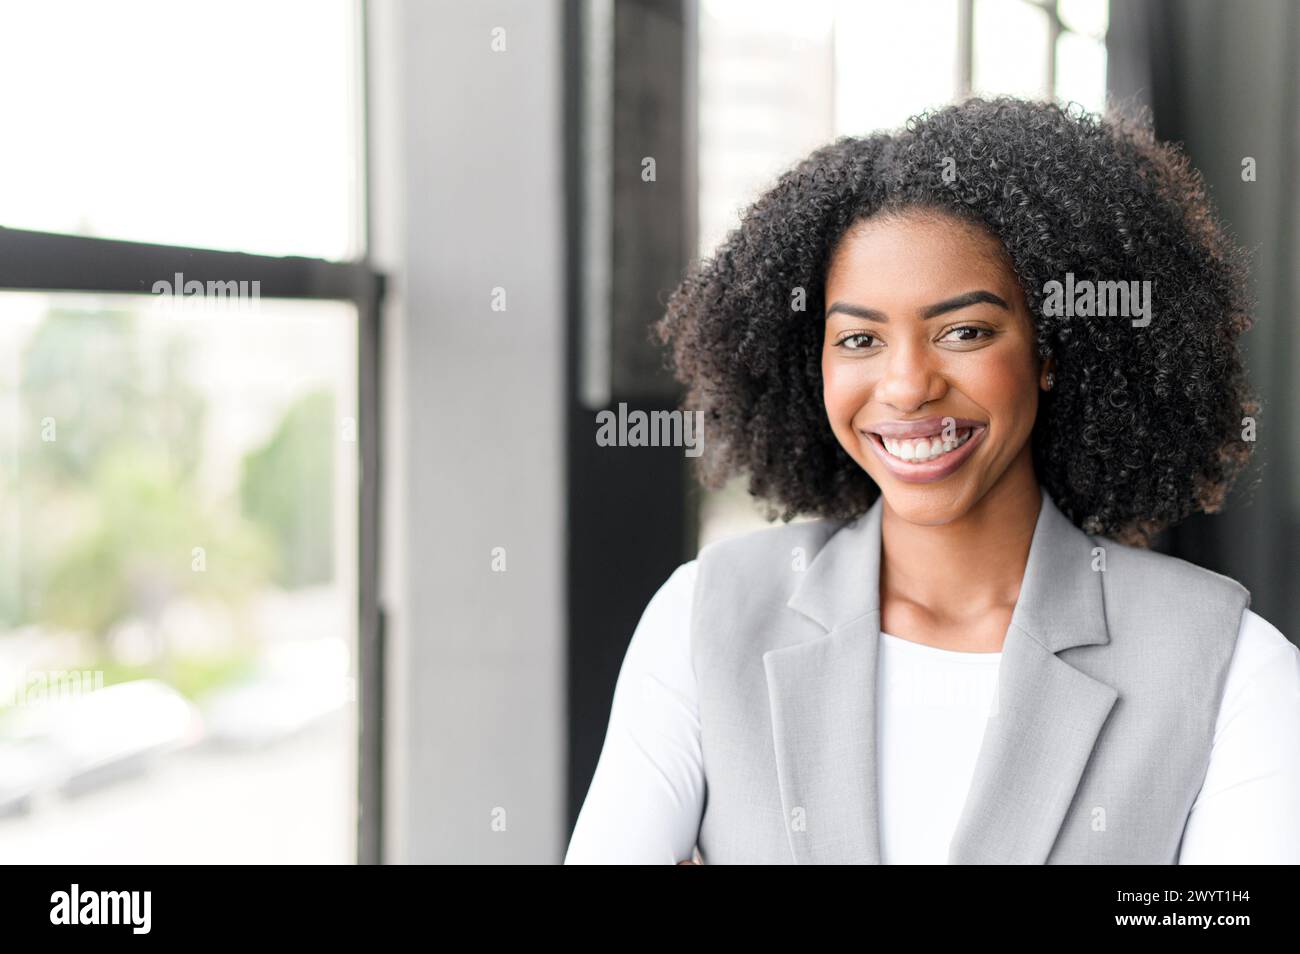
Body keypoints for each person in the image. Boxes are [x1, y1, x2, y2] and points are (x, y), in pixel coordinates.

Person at [564, 97, 1300, 864]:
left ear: (1052, 350)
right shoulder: (705, 620)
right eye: (858, 338)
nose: (908, 385)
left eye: (965, 332)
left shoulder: (1231, 666)